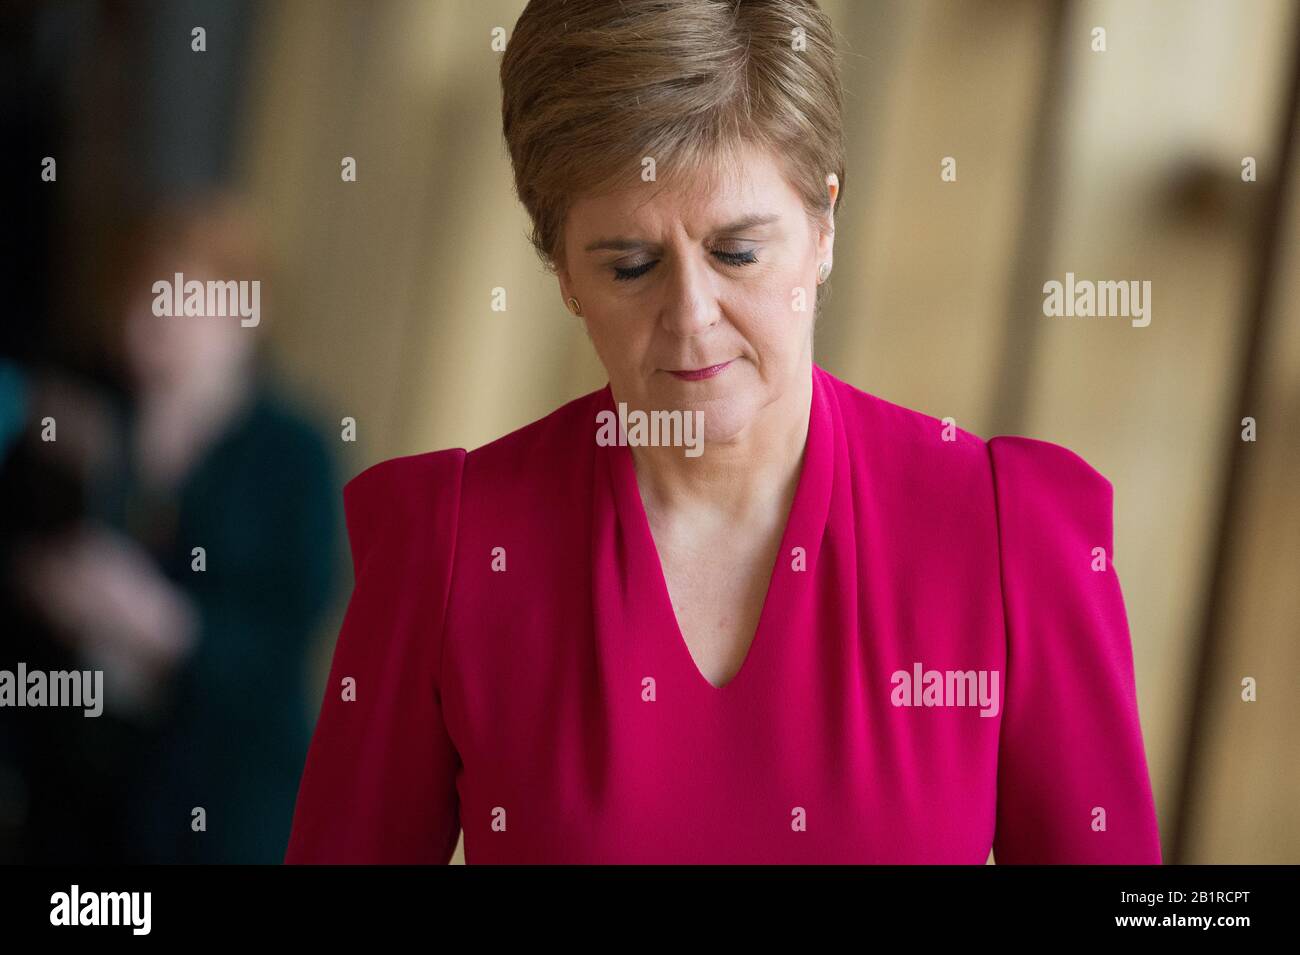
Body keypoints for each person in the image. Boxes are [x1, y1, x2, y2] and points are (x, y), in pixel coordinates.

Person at [284, 0, 1162, 864]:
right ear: (561, 272)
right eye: (631, 265)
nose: (692, 318)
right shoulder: (452, 544)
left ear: (824, 226)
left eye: (738, 253)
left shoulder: (1012, 533)